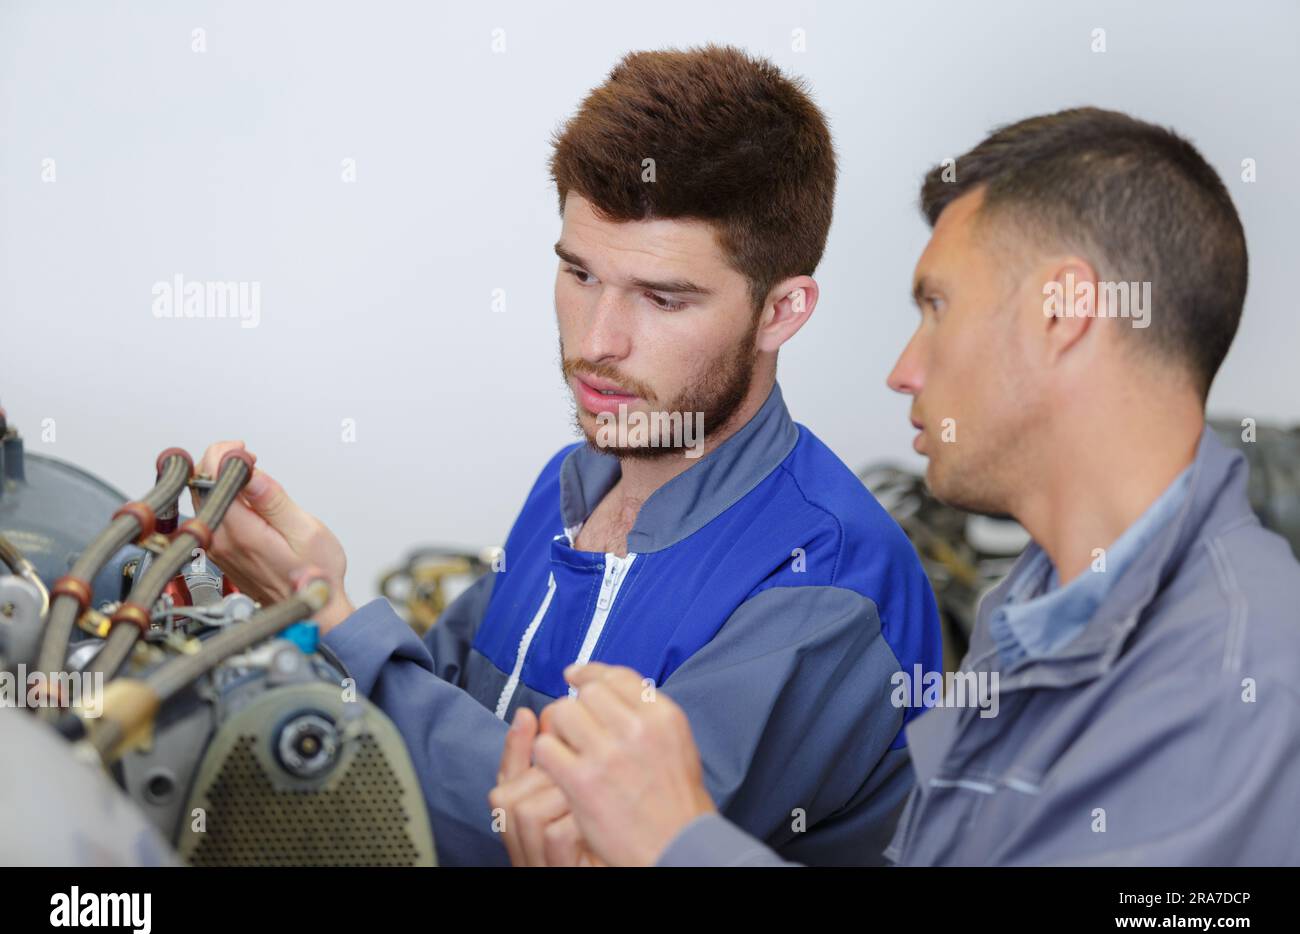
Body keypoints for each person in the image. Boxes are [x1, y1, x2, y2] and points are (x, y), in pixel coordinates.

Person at [196, 45, 942, 866]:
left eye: (663, 298)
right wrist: (302, 599)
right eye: (580, 275)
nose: (597, 344)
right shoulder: (573, 484)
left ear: (781, 311)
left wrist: (337, 618)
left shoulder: (827, 583)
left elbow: (585, 838)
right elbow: (438, 702)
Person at [510, 107, 1300, 866]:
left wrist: (675, 845)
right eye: (579, 273)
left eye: (938, 306)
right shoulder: (1029, 614)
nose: (902, 371)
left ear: (1066, 314)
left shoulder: (1243, 678)